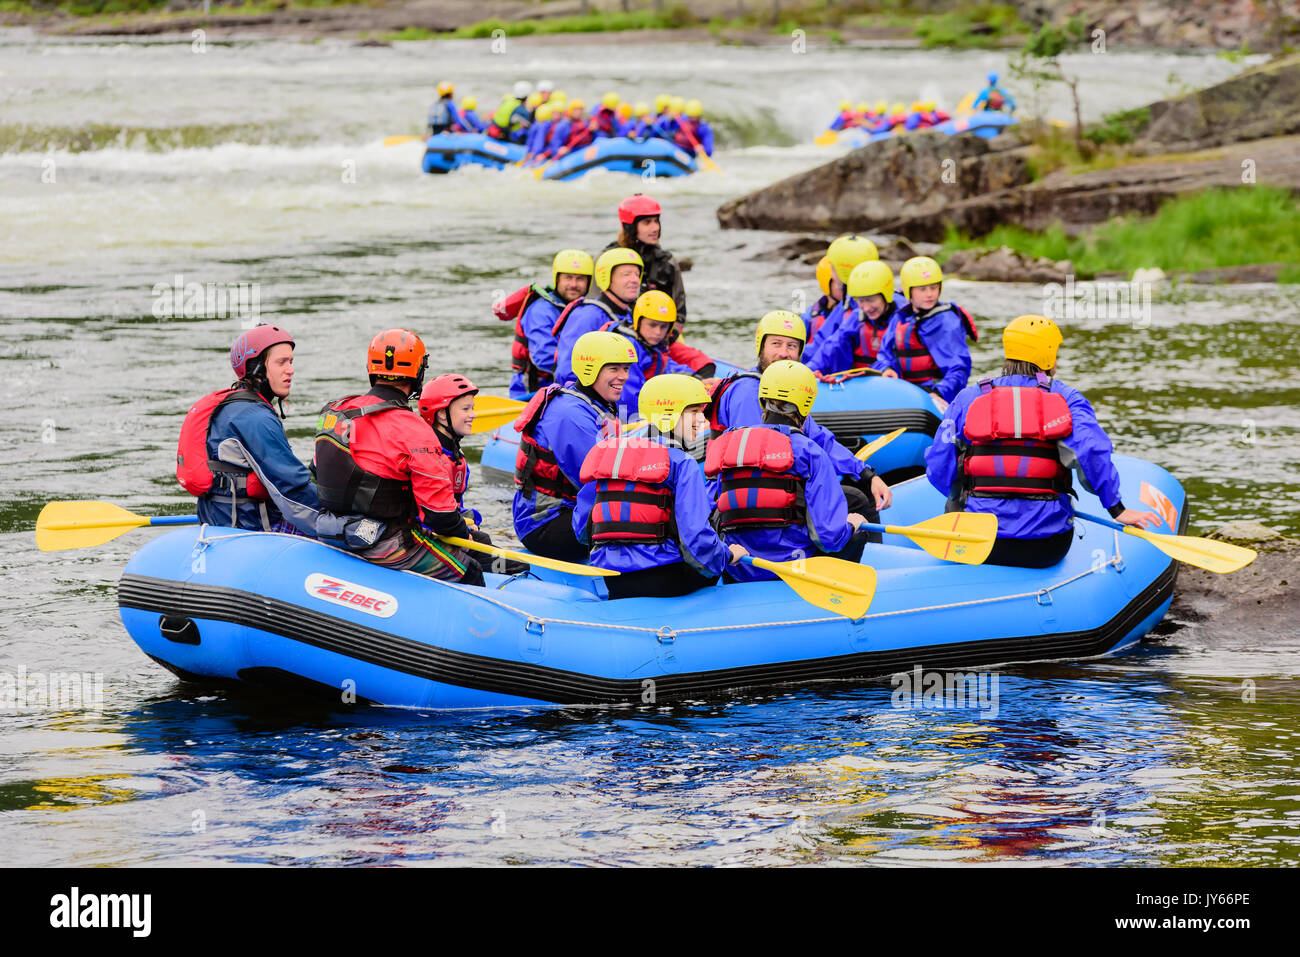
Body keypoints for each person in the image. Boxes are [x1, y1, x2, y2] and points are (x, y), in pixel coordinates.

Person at [925, 315, 1160, 568]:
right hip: (1043, 547)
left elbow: (939, 463)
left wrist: (965, 500)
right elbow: (1092, 451)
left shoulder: (968, 398)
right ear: (1048, 357)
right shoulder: (1067, 398)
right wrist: (1116, 508)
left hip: (980, 543)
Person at [313, 329, 484, 586]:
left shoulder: (335, 410)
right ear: (418, 372)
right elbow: (440, 515)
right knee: (472, 569)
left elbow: (316, 471)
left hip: (331, 530)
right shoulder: (414, 429)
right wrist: (463, 533)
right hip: (385, 542)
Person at [706, 310, 891, 530]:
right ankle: (860, 558)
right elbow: (751, 461)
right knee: (857, 500)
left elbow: (820, 439)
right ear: (761, 347)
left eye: (792, 346)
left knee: (855, 488)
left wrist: (866, 474)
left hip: (775, 487)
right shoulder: (746, 391)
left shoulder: (784, 389)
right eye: (776, 344)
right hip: (748, 496)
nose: (784, 353)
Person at [574, 375, 746, 599]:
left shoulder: (609, 453)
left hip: (613, 579)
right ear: (669, 416)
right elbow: (695, 539)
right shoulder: (682, 463)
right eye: (693, 412)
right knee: (717, 556)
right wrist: (727, 556)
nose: (701, 421)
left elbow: (581, 528)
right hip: (666, 579)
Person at [705, 361, 871, 584]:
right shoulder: (809, 450)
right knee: (857, 529)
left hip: (741, 568)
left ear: (763, 401)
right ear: (806, 405)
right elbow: (829, 537)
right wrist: (851, 525)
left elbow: (711, 509)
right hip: (795, 568)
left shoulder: (726, 446)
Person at [179, 324, 318, 533]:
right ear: (257, 368)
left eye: (291, 361)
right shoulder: (255, 418)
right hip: (250, 529)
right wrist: (345, 517)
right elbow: (293, 488)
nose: (291, 369)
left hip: (219, 522)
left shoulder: (235, 406)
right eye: (281, 362)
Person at [512, 331, 635, 562]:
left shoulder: (595, 402)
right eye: (614, 369)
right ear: (590, 369)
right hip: (544, 524)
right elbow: (597, 481)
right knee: (644, 514)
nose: (623, 376)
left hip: (573, 510)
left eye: (626, 369)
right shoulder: (570, 415)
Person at [873, 256, 978, 410]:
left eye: (934, 287)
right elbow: (885, 354)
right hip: (905, 392)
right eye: (922, 289)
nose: (929, 294)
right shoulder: (901, 317)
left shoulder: (947, 321)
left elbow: (959, 367)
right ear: (909, 291)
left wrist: (940, 393)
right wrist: (886, 368)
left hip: (934, 393)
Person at [497, 248, 594, 399]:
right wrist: (590, 375)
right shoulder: (540, 310)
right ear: (557, 279)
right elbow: (543, 356)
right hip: (532, 392)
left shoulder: (585, 309)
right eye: (568, 278)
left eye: (580, 279)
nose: (574, 284)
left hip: (567, 387)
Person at [551, 246, 643, 389]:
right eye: (626, 274)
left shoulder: (632, 316)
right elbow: (567, 371)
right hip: (593, 403)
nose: (635, 280)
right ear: (607, 278)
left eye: (637, 275)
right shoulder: (588, 316)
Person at [599, 290, 698, 416]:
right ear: (639, 322)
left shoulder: (650, 346)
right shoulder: (628, 347)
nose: (658, 332)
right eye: (652, 325)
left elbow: (667, 368)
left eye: (663, 327)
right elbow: (628, 395)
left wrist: (695, 380)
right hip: (624, 415)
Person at [806, 260, 901, 374]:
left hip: (899, 382)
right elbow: (832, 347)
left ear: (886, 295)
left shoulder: (904, 319)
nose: (866, 308)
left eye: (871, 300)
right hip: (864, 382)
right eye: (860, 301)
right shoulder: (857, 317)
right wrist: (808, 371)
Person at [606, 193, 686, 322]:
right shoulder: (607, 259)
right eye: (647, 222)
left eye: (656, 221)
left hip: (659, 332)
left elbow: (679, 313)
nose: (655, 228)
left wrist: (666, 335)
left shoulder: (667, 262)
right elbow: (595, 301)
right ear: (630, 227)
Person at [805, 233, 881, 357]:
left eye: (834, 270)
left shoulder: (894, 307)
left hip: (881, 374)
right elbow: (821, 346)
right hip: (849, 374)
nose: (833, 275)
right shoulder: (847, 305)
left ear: (846, 274)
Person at [802, 255, 843, 351]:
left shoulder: (854, 311)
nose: (844, 287)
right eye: (839, 283)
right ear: (826, 283)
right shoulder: (809, 316)